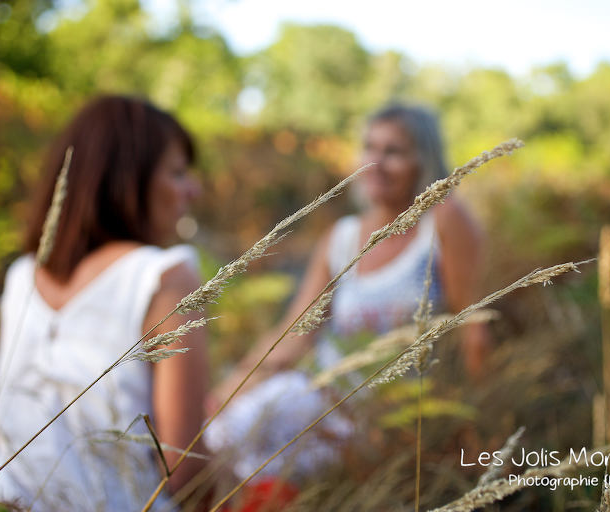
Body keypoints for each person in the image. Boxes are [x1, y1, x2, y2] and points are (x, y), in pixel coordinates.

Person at [205, 104, 490, 478]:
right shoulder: (341, 238)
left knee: (267, 471)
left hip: (395, 418)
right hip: (319, 400)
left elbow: (475, 329)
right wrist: (229, 389)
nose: (377, 162)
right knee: (219, 440)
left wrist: (475, 428)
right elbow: (295, 333)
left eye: (394, 152)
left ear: (424, 159)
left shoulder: (443, 221)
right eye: (370, 148)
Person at [0, 95, 209, 511]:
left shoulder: (22, 275)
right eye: (177, 172)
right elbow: (184, 470)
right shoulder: (165, 276)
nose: (194, 188)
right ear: (126, 180)